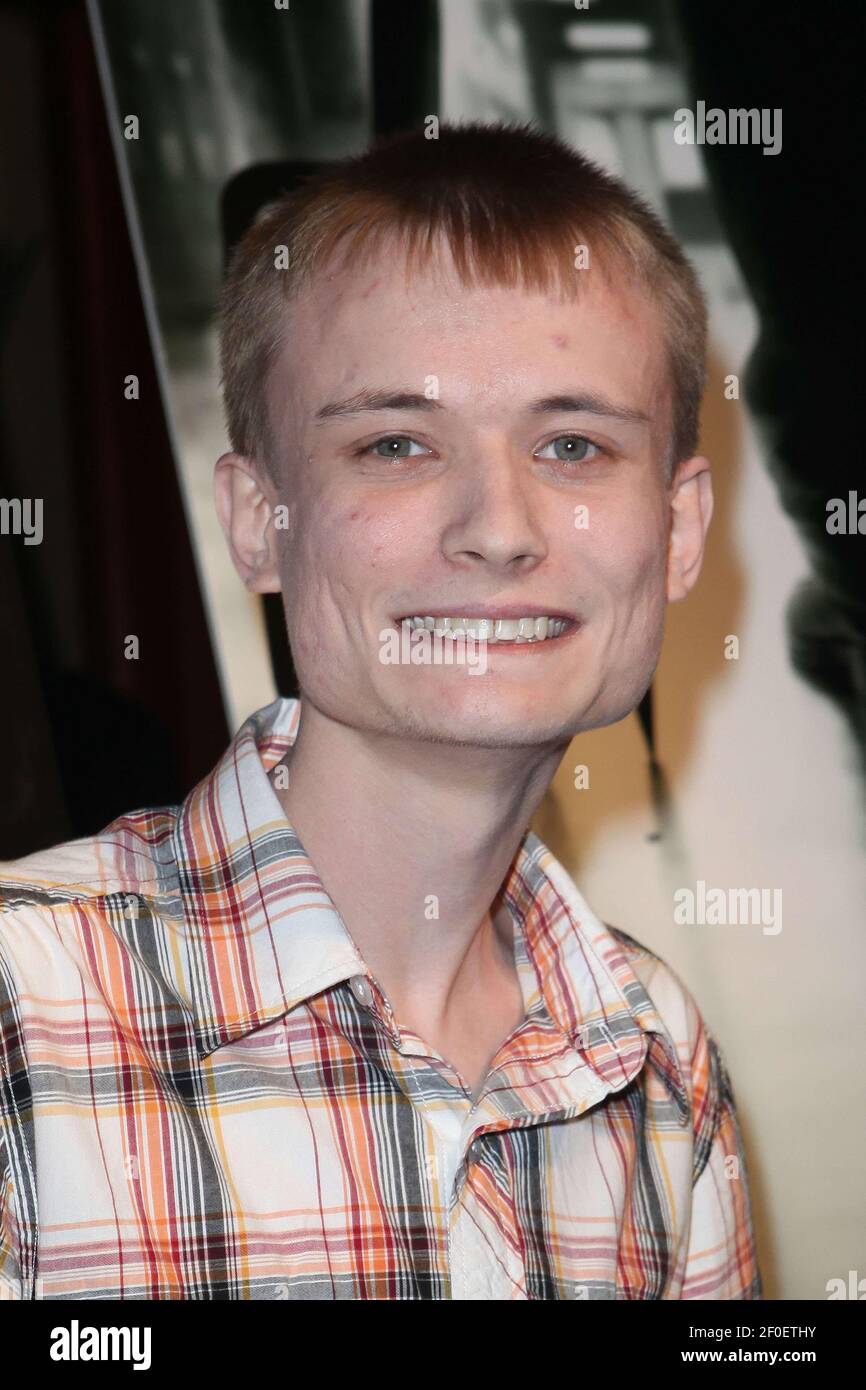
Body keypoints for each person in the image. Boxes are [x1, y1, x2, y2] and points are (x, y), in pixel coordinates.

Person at [0, 121, 761, 1300]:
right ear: (258, 519)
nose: (498, 527)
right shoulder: (22, 1011)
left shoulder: (657, 1055)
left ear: (678, 531)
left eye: (571, 444)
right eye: (395, 443)